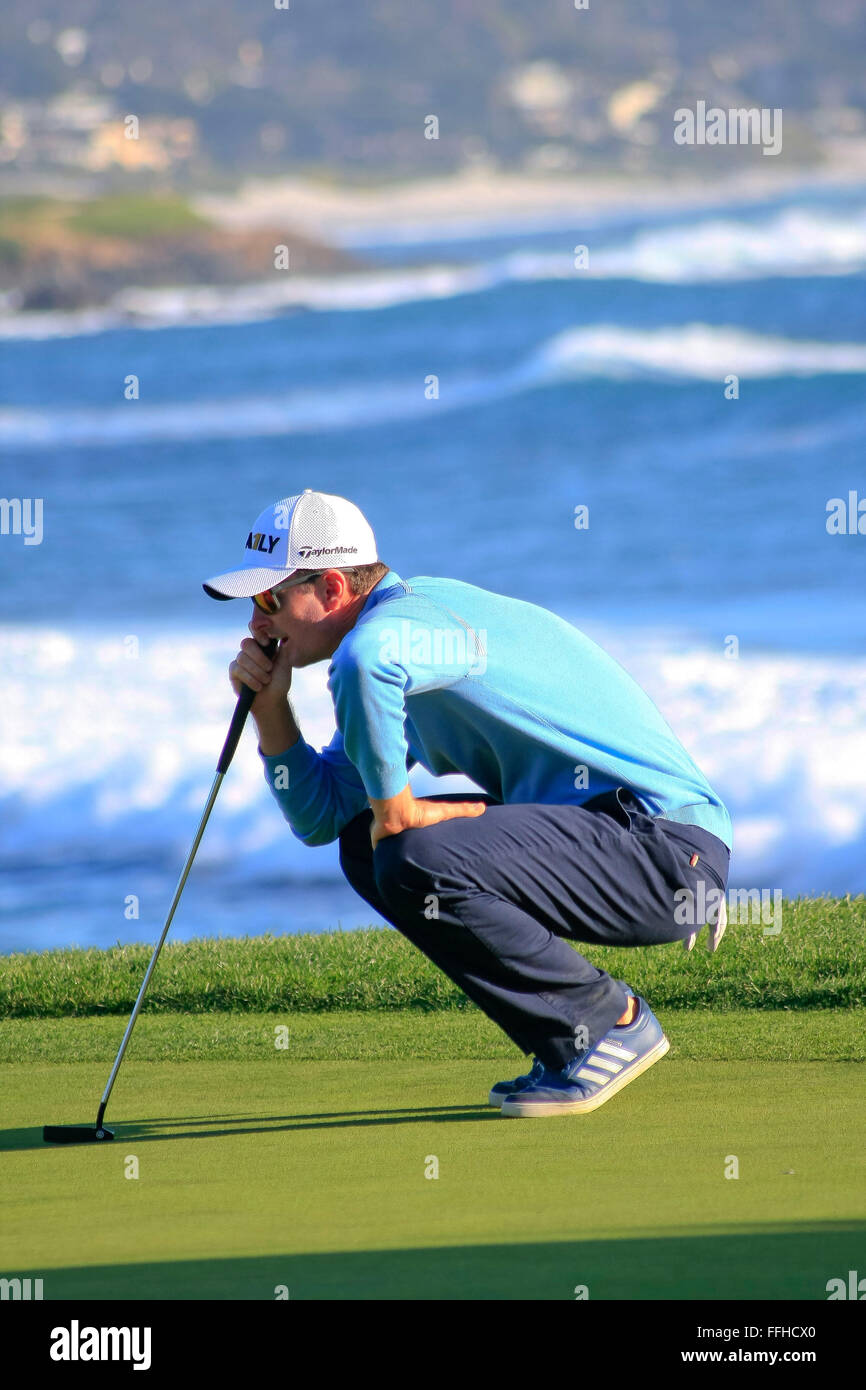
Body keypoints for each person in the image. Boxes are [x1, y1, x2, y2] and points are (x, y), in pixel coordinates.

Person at [204, 489, 731, 1118]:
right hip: (614, 844)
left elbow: (366, 662)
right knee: (370, 846)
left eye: (270, 600)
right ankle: (568, 1045)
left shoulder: (410, 627)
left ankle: (609, 1024)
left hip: (665, 854)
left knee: (407, 846)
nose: (254, 625)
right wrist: (271, 713)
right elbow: (323, 817)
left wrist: (401, 814)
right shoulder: (402, 641)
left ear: (336, 589)